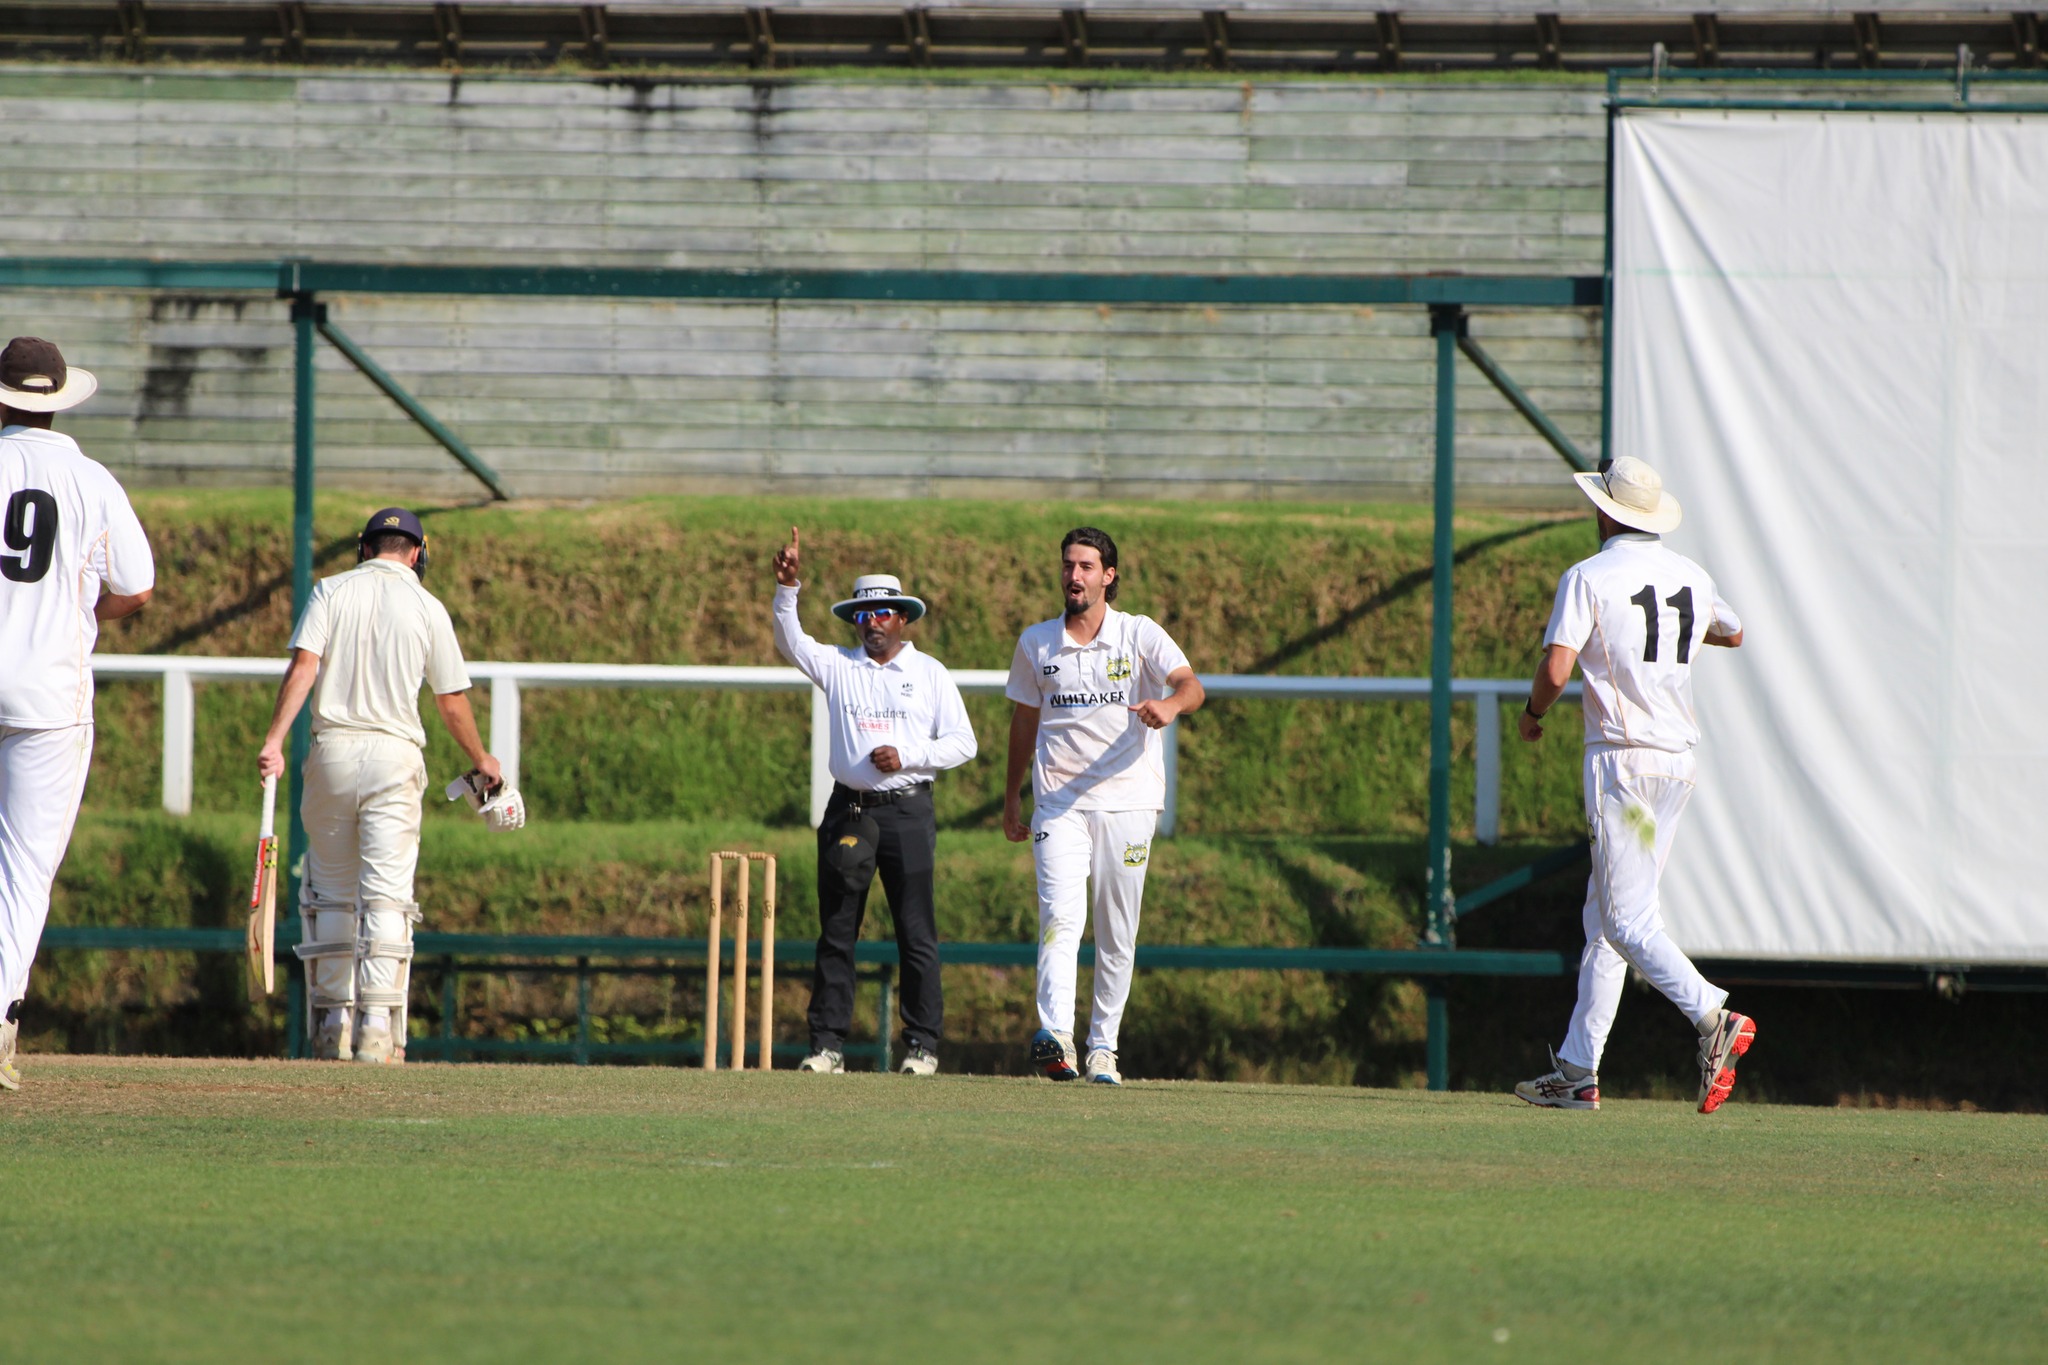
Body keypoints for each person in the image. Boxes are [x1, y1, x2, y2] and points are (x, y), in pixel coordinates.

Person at [1514, 456, 1755, 1114]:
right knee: (1608, 913)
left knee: (1624, 917)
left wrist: (1532, 717)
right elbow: (1732, 631)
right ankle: (1577, 1068)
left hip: (1622, 762)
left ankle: (1712, 1017)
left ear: (1604, 510)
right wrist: (1675, 635)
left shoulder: (1588, 575)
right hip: (1674, 767)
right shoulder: (1689, 574)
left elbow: (1556, 667)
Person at [256, 507, 514, 1064]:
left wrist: (275, 740)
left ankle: (330, 1023)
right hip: (394, 757)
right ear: (419, 552)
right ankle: (376, 1028)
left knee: (330, 889)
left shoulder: (330, 591)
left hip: (332, 752)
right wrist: (481, 758)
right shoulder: (428, 606)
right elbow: (450, 700)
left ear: (363, 546)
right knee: (387, 893)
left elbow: (304, 668)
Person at [0, 337, 154, 1091]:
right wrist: (82, 609)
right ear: (60, 402)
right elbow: (139, 585)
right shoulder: (90, 478)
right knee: (25, 870)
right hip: (50, 694)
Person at [771, 528, 976, 1075]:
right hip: (850, 810)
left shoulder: (929, 673)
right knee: (837, 930)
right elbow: (792, 642)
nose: (874, 622)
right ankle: (827, 1045)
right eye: (865, 614)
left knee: (915, 930)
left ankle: (923, 1046)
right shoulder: (841, 666)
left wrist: (906, 755)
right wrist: (787, 588)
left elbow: (964, 743)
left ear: (902, 619)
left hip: (908, 809)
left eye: (884, 612)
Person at [1003, 527, 1203, 1085]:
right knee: (1060, 918)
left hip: (1129, 802)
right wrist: (1011, 798)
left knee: (1117, 929)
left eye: (1087, 566)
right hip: (1059, 803)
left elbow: (1192, 685)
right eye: (1068, 565)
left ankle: (1103, 1048)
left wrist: (1169, 705)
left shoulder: (1138, 634)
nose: (1074, 575)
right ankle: (1057, 1037)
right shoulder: (1037, 643)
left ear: (1108, 576)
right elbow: (1023, 722)